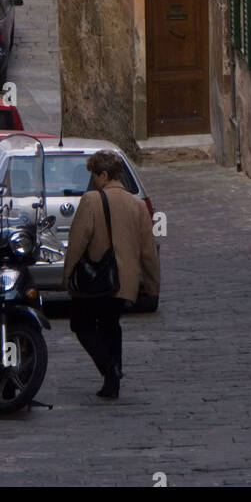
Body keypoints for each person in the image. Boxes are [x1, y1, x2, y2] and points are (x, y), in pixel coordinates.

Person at [63, 150, 160, 399]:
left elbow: (77, 242)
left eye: (94, 175)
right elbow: (149, 251)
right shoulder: (138, 205)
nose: (93, 181)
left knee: (82, 325)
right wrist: (151, 286)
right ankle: (112, 382)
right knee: (110, 325)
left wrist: (68, 275)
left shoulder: (92, 200)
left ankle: (109, 367)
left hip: (97, 277)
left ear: (104, 175)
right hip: (124, 280)